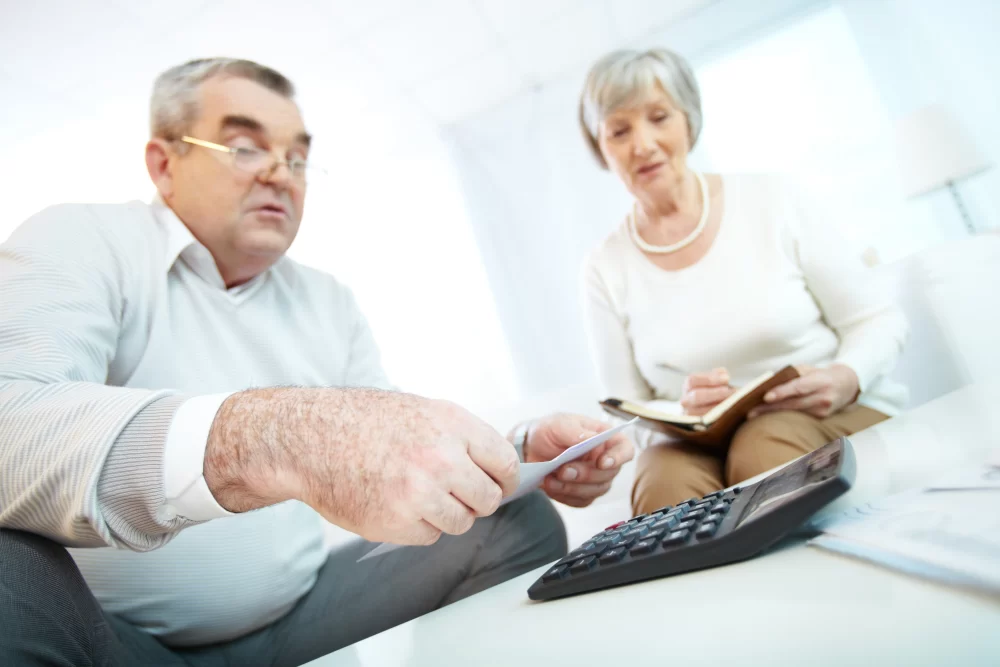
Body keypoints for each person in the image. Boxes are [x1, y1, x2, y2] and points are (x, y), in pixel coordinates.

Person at [0, 58, 634, 666]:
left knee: (510, 519)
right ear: (165, 164)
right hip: (120, 645)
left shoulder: (328, 301)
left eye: (298, 158)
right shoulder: (82, 241)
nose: (281, 174)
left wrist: (516, 452)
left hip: (303, 618)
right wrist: (272, 439)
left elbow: (402, 446)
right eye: (245, 147)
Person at [576, 48, 908, 516]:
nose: (643, 144)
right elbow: (627, 411)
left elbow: (876, 319)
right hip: (700, 446)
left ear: (688, 119)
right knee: (662, 475)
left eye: (659, 117)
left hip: (832, 413)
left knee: (763, 444)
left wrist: (845, 377)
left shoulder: (774, 199)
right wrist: (682, 414)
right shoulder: (604, 267)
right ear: (600, 147)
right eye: (619, 131)